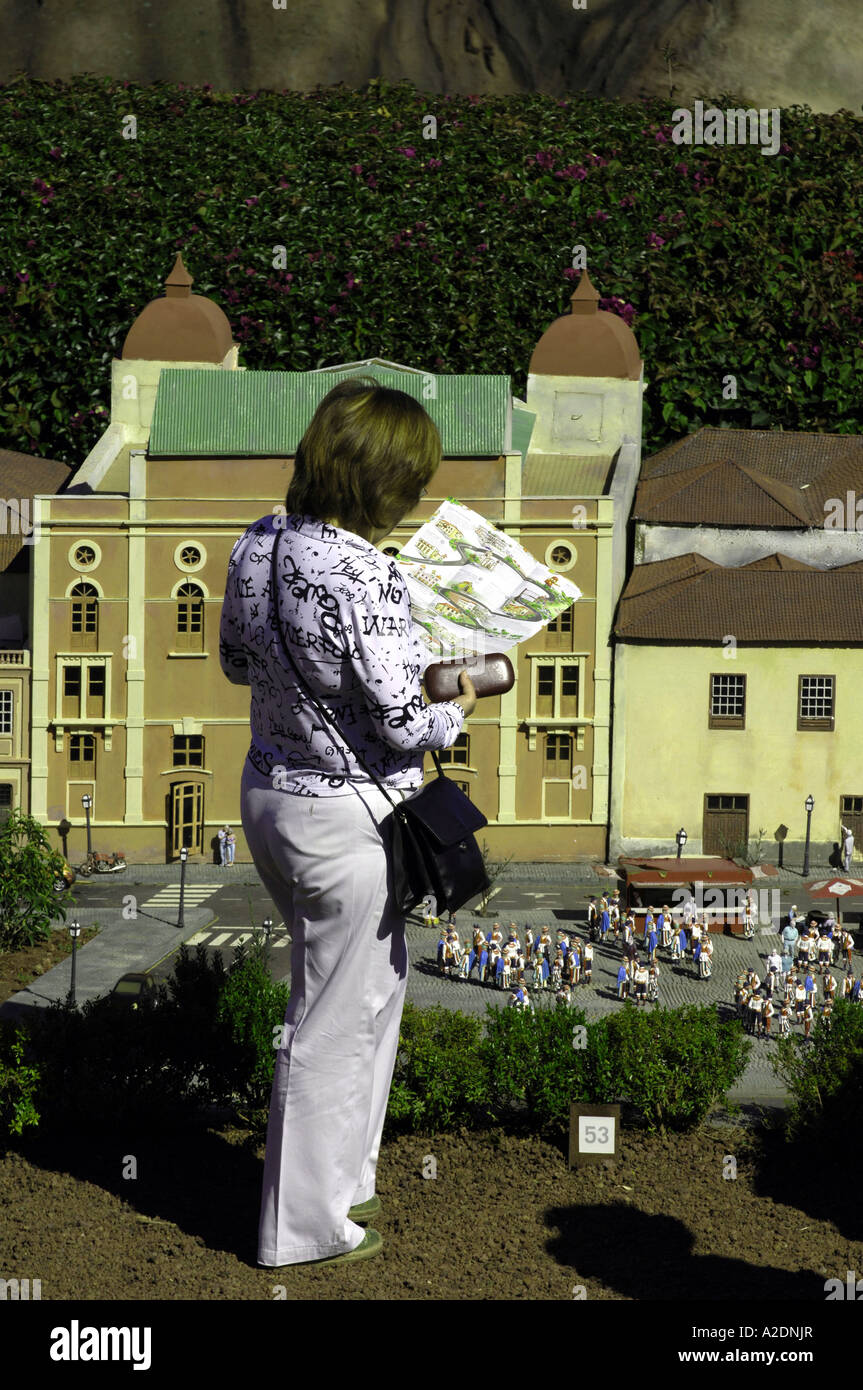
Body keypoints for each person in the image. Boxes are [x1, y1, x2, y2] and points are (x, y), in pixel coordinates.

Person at [222, 376, 479, 1268]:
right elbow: (410, 722)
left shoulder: (254, 544)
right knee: (330, 1019)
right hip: (343, 818)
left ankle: (345, 1181)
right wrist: (471, 690)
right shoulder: (368, 570)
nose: (413, 501)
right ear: (378, 482)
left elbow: (229, 662)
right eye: (410, 483)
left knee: (371, 990)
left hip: (269, 793)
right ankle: (301, 1231)